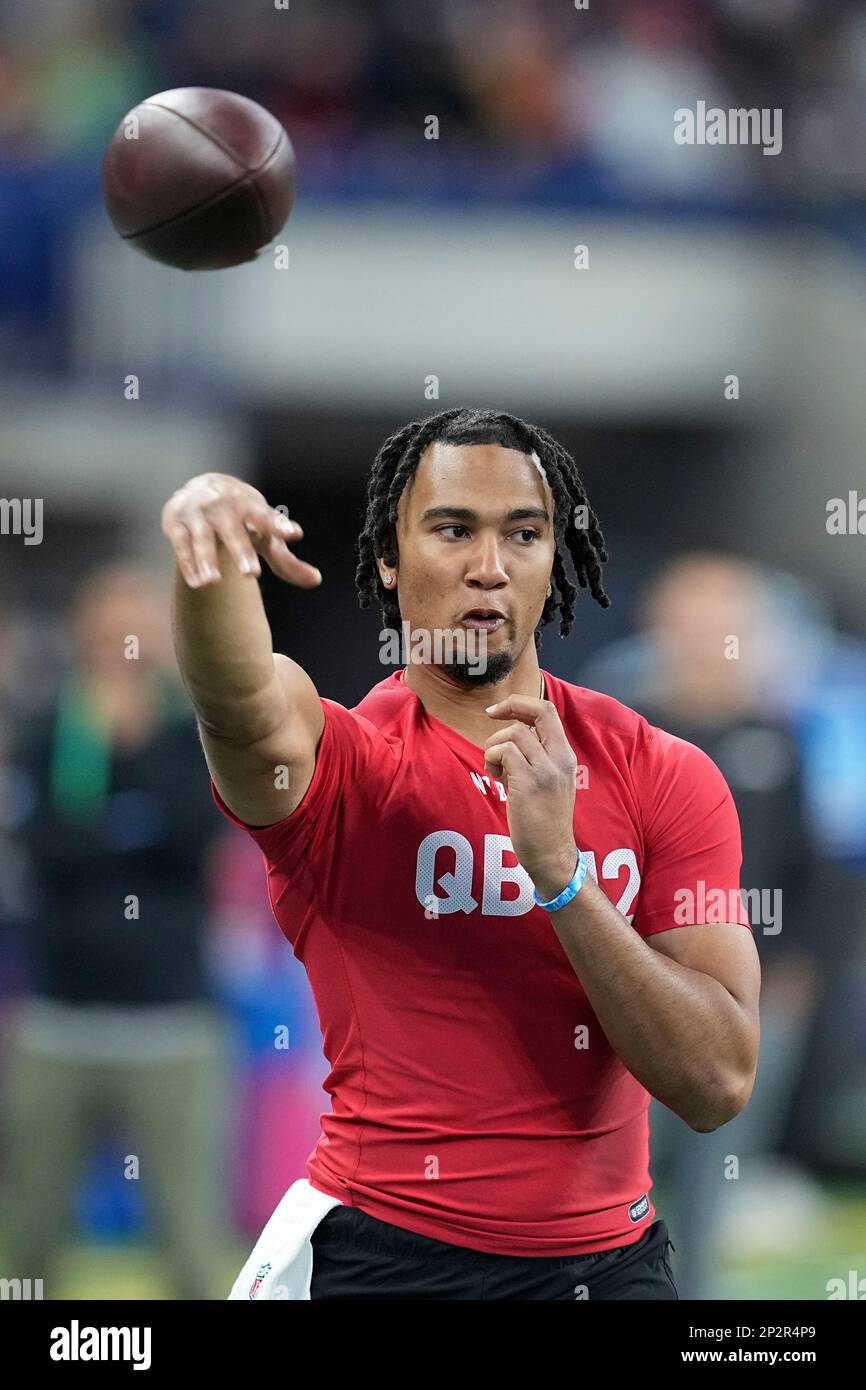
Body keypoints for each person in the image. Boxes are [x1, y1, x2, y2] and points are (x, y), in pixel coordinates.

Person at [162, 406, 760, 1301]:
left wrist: (563, 882)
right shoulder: (346, 766)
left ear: (551, 558)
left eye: (523, 533)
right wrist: (210, 555)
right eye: (453, 529)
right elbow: (240, 701)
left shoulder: (664, 774)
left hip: (608, 1268)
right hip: (382, 1258)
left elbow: (715, 1081)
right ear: (390, 558)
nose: (489, 566)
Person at [2, 565, 228, 1299]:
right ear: (82, 635)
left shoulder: (193, 736)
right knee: (28, 1239)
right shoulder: (48, 734)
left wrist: (119, 790)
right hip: (60, 1019)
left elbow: (193, 837)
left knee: (191, 1240)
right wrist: (124, 822)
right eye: (106, 630)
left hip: (172, 1023)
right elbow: (48, 851)